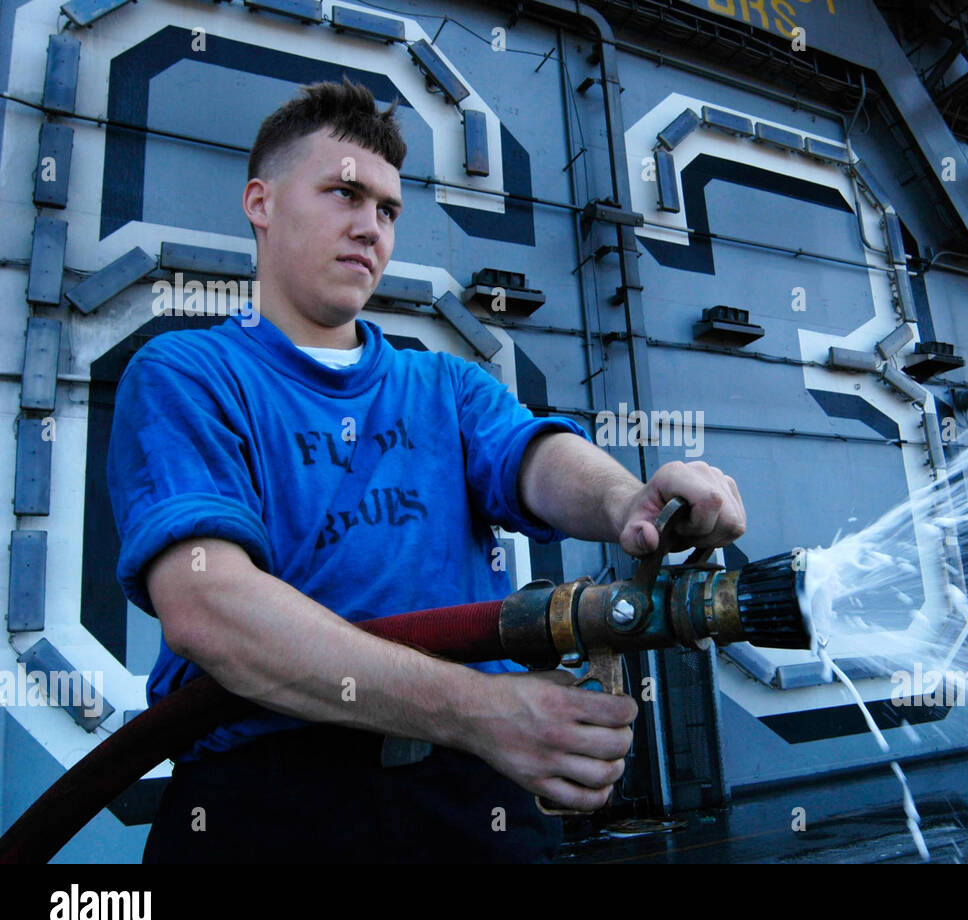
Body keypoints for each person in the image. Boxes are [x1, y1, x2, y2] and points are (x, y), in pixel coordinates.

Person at [107, 78, 746, 863]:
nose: (370, 228)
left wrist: (626, 501)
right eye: (344, 193)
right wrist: (481, 712)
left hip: (468, 803)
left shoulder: (443, 384)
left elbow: (533, 458)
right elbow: (210, 608)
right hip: (271, 811)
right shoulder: (186, 374)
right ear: (261, 203)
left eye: (387, 210)